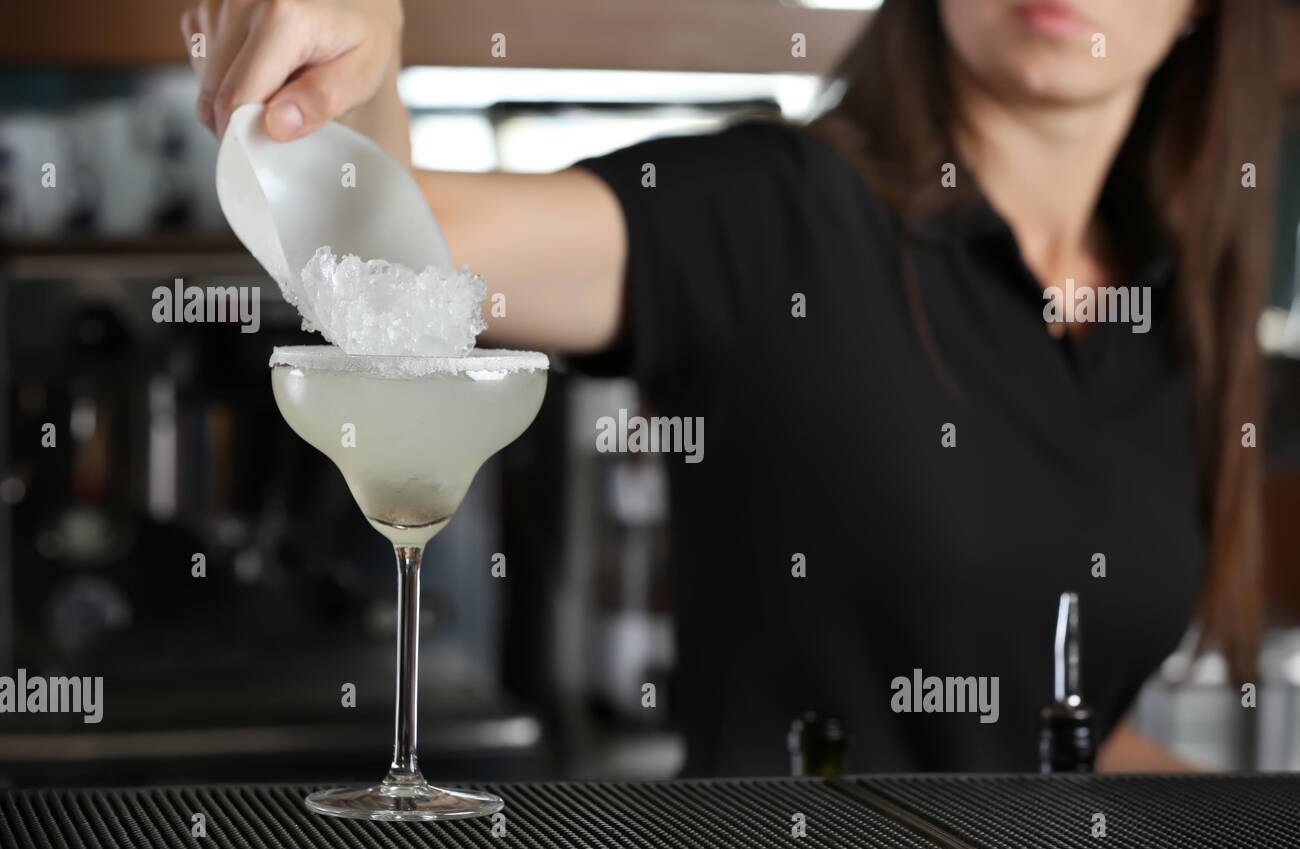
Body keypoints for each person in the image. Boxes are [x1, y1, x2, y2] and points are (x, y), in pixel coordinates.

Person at [181, 0, 1278, 776]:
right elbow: (401, 264)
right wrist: (361, 45)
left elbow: (1036, 739)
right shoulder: (771, 213)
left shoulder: (1180, 319)